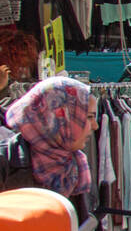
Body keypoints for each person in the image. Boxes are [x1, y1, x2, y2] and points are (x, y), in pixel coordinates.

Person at [3, 77, 98, 210]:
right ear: (58, 118)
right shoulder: (6, 165)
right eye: (88, 117)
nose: (95, 126)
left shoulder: (75, 166)